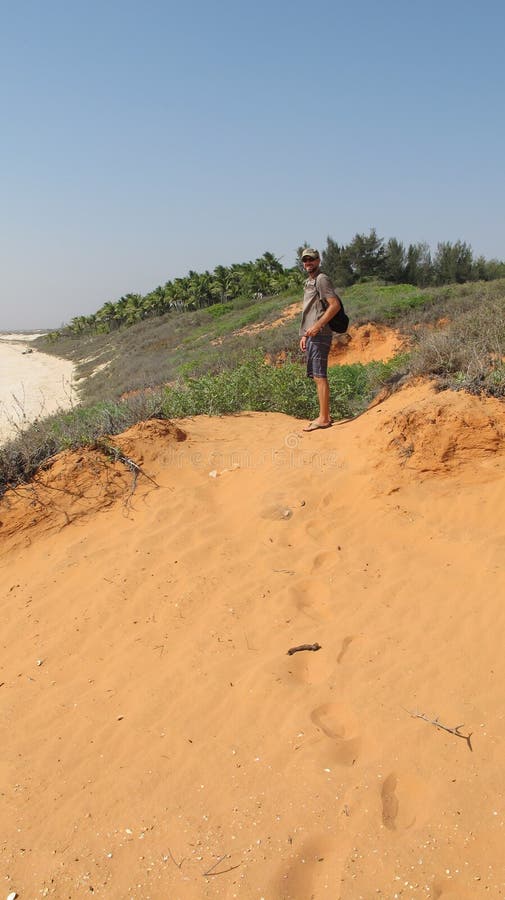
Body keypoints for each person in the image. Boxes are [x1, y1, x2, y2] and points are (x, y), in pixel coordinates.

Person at [299, 248, 341, 431]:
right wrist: (304, 334)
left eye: (311, 259)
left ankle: (324, 418)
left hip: (320, 334)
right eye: (305, 260)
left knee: (319, 375)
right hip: (312, 335)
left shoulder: (321, 279)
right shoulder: (309, 282)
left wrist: (317, 327)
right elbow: (310, 310)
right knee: (317, 376)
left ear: (318, 260)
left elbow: (334, 306)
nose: (308, 262)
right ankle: (324, 415)